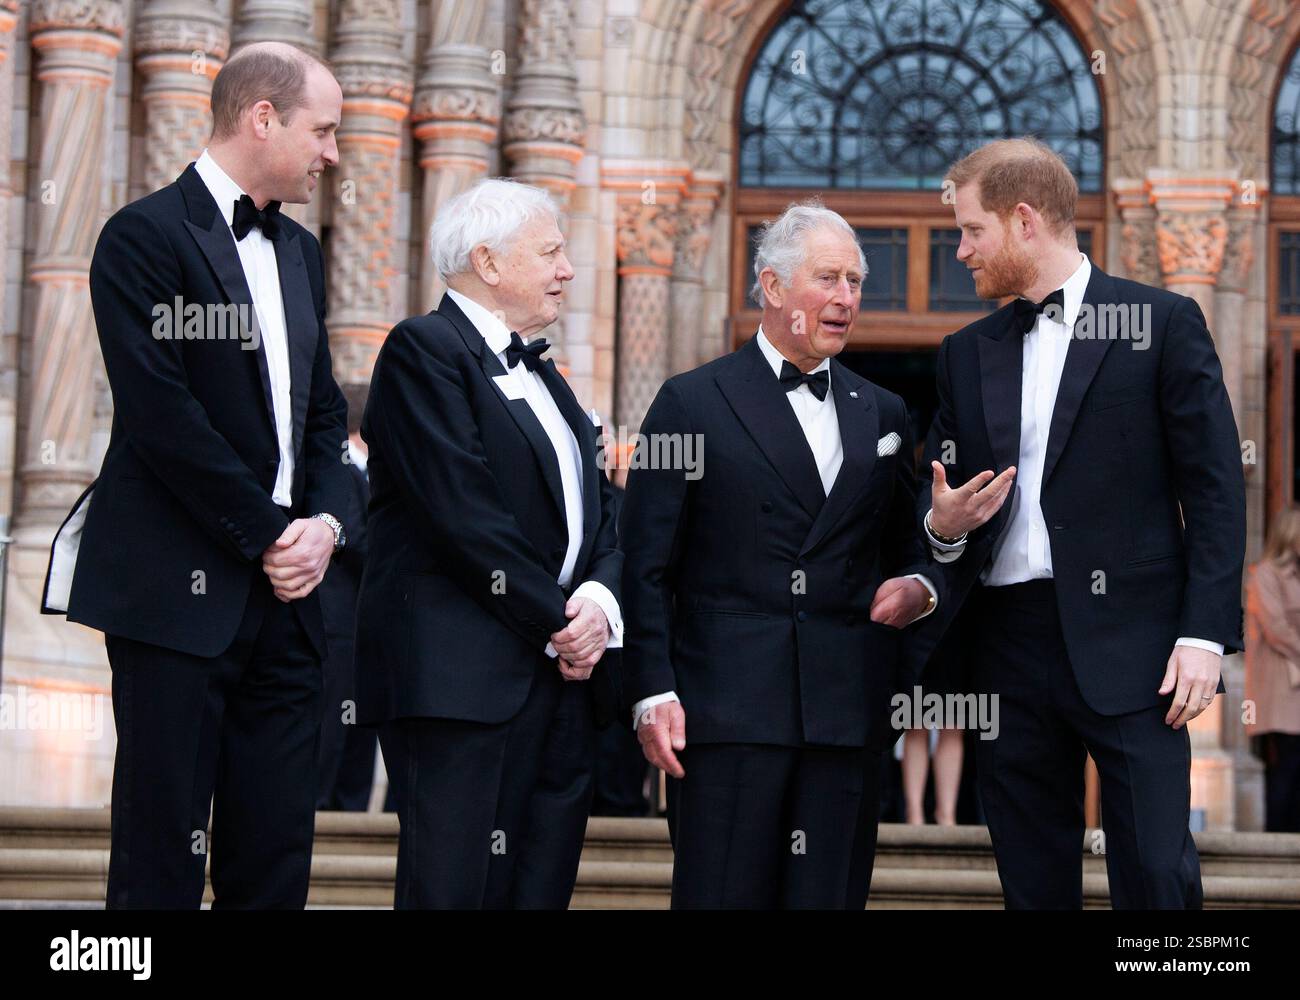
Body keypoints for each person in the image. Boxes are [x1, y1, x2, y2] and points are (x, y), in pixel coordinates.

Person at [40, 43, 352, 908]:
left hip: (290, 608)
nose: (333, 154)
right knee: (158, 859)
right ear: (262, 119)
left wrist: (323, 528)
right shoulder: (142, 236)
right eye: (322, 132)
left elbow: (324, 415)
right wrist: (268, 536)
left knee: (274, 854)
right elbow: (164, 419)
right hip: (177, 598)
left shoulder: (301, 252)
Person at [915, 137, 1245, 909]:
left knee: (1158, 873)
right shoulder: (964, 352)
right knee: (1031, 880)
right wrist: (940, 526)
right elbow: (940, 505)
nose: (959, 250)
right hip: (1005, 644)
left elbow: (1217, 487)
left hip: (1138, 647)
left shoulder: (1163, 323)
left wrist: (1203, 636)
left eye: (971, 230)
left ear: (1024, 220)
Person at [620, 201, 942, 909]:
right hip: (728, 714)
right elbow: (643, 564)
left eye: (856, 282)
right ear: (771, 287)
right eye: (828, 278)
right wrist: (653, 691)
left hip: (843, 715)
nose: (847, 298)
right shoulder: (691, 403)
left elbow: (904, 546)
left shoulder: (883, 412)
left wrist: (925, 573)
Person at [355, 178, 623, 909]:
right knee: (454, 892)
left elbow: (602, 508)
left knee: (538, 891)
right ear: (489, 262)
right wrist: (562, 624)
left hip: (559, 681)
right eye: (552, 251)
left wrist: (598, 601)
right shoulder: (424, 350)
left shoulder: (548, 376)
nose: (568, 269)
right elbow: (462, 513)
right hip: (459, 686)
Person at [316, 384, 375, 811]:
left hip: (362, 627)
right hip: (336, 624)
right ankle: (323, 807)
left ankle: (350, 806)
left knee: (359, 726)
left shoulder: (367, 474)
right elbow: (351, 537)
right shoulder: (341, 471)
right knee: (332, 721)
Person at [1245, 507, 1300, 832]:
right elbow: (1276, 628)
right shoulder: (1266, 573)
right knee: (1287, 764)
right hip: (1281, 689)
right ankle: (1279, 839)